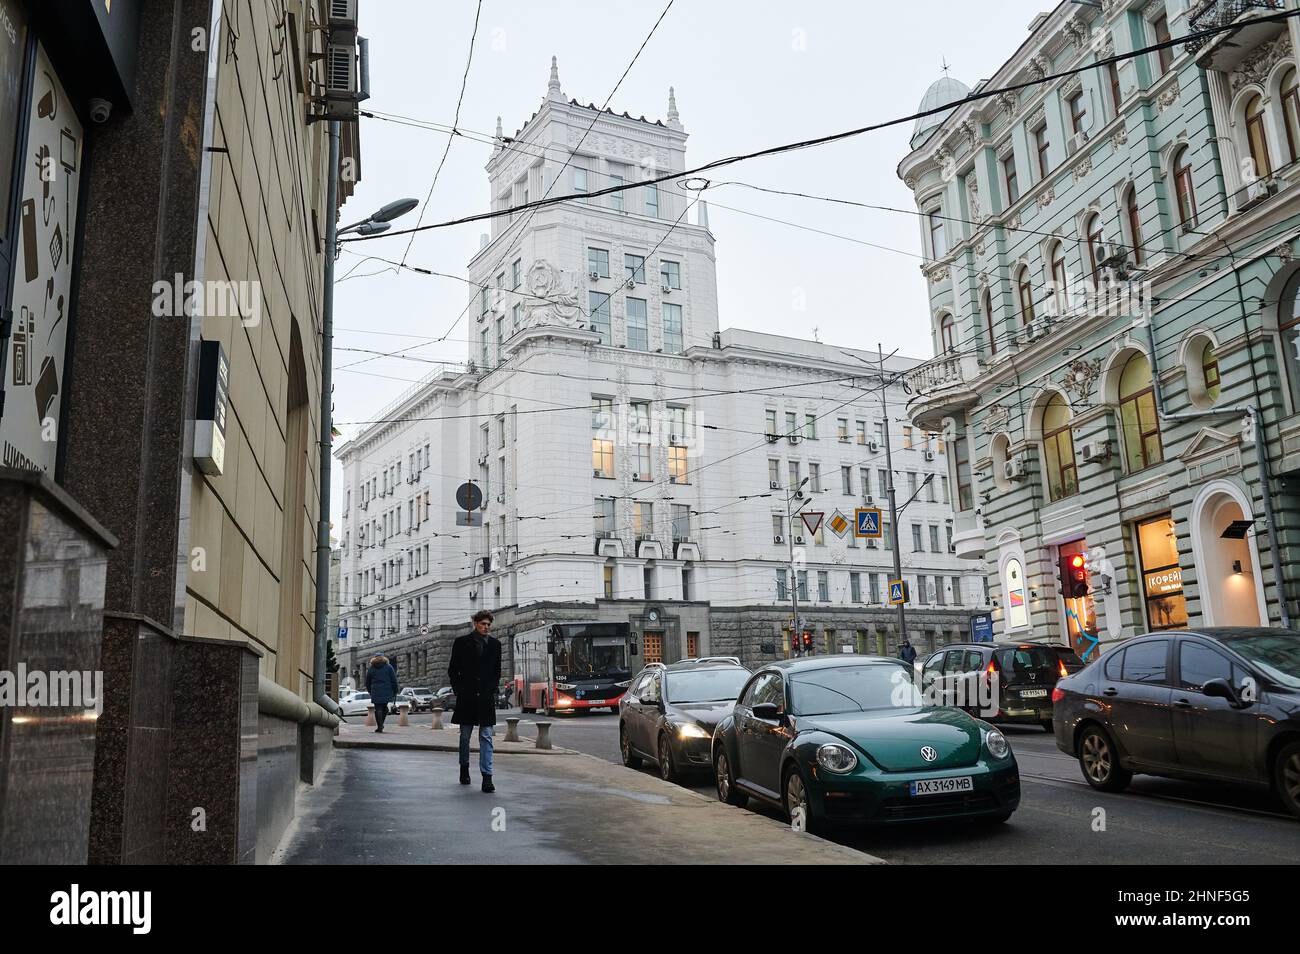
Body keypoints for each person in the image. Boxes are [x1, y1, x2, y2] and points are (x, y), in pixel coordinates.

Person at [448, 609, 501, 792]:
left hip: (485, 698)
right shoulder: (461, 643)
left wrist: (492, 689)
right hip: (467, 697)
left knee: (486, 737)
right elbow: (453, 670)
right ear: (475, 624)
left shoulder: (495, 645)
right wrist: (460, 691)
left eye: (488, 625)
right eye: (483, 624)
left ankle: (487, 777)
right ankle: (464, 768)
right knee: (465, 737)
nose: (486, 627)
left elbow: (496, 671)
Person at [364, 654, 399, 733]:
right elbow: (394, 679)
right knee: (384, 708)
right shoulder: (389, 667)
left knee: (378, 708)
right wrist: (395, 689)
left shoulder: (371, 668)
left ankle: (380, 726)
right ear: (383, 658)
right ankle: (381, 725)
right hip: (386, 690)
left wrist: (370, 691)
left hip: (375, 691)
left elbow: (367, 682)